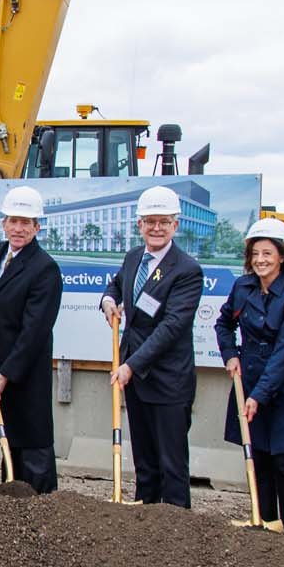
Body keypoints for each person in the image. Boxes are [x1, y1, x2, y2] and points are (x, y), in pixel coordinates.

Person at [213, 217, 284, 533]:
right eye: (255, 254)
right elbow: (224, 324)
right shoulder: (243, 287)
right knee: (258, 458)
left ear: (282, 256)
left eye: (268, 254)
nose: (260, 260)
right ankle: (264, 525)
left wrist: (258, 395)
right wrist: (230, 354)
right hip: (249, 378)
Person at [102, 185, 204, 508]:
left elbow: (171, 328)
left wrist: (130, 365)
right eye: (150, 221)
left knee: (172, 465)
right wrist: (108, 300)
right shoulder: (134, 257)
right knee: (145, 463)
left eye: (163, 221)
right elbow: (118, 283)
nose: (156, 228)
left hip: (168, 381)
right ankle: (144, 525)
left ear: (176, 225)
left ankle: (176, 532)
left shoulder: (187, 270)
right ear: (139, 225)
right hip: (137, 380)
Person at [0, 185, 62, 493]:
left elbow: (35, 330)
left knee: (32, 437)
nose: (19, 228)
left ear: (37, 227)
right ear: (4, 223)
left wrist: (6, 373)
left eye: (27, 223)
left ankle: (41, 502)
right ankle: (11, 498)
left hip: (26, 367)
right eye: (14, 221)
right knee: (7, 433)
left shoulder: (45, 269)